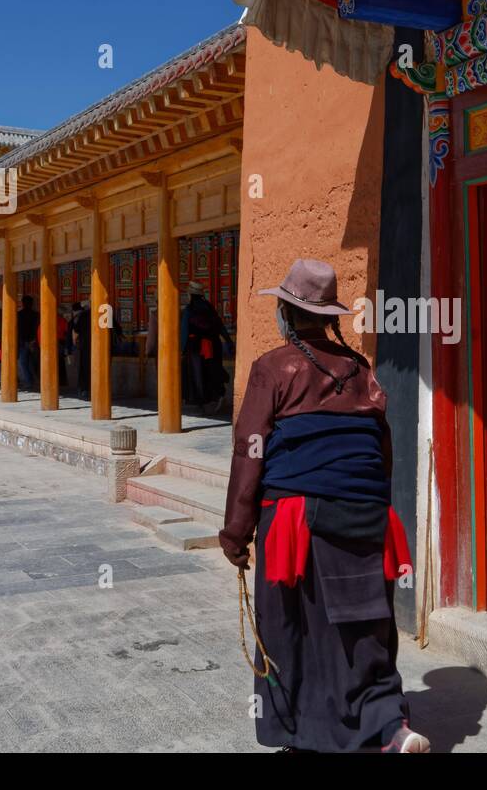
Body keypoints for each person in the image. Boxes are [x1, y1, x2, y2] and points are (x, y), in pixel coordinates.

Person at [219, 258, 428, 753]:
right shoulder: (362, 371)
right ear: (327, 316)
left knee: (291, 621)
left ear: (288, 314)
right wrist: (372, 505)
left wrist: (235, 532)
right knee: (364, 621)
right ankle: (386, 726)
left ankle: (303, 733)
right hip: (365, 513)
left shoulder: (273, 368)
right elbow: (383, 449)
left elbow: (251, 448)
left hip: (295, 519)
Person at [181, 281, 233, 414]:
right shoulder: (209, 307)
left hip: (195, 347)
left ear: (190, 295)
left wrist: (181, 349)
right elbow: (220, 325)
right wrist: (228, 341)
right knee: (212, 371)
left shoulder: (189, 309)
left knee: (198, 375)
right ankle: (219, 396)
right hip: (213, 345)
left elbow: (185, 331)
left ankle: (200, 405)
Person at [17, 295, 40, 391]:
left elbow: (18, 329)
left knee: (23, 363)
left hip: (23, 342)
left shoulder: (19, 314)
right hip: (34, 342)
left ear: (22, 303)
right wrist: (34, 340)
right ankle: (35, 380)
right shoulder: (36, 314)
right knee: (33, 363)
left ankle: (29, 381)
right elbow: (38, 328)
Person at [71, 301, 90, 400]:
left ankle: (85, 389)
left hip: (86, 346)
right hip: (104, 347)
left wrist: (75, 343)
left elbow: (76, 331)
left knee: (85, 368)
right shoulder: (106, 311)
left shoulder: (84, 316)